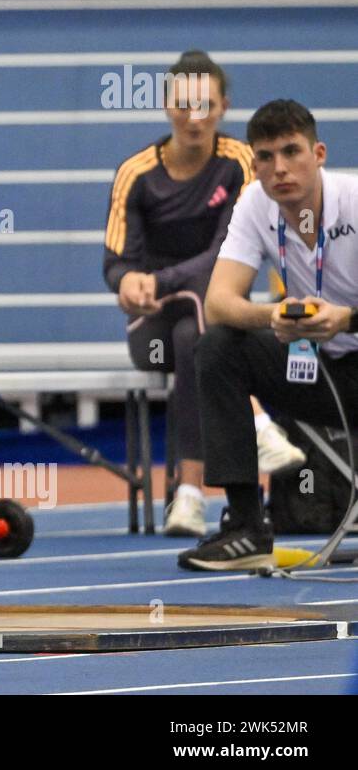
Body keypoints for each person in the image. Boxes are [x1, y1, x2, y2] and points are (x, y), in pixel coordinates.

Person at [104, 51, 303, 535]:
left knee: (196, 336)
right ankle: (258, 426)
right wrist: (128, 282)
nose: (194, 116)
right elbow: (115, 261)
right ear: (167, 106)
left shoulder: (239, 163)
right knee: (198, 327)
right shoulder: (137, 174)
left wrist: (162, 278)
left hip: (210, 320)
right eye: (183, 104)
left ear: (223, 107)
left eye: (205, 105)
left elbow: (223, 253)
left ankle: (188, 497)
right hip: (148, 326)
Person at [180, 99, 358, 570]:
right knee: (218, 345)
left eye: (291, 151)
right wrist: (274, 316)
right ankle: (245, 527)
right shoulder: (256, 204)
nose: (279, 168)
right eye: (265, 156)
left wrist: (346, 319)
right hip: (315, 367)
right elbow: (220, 302)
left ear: (318, 154)